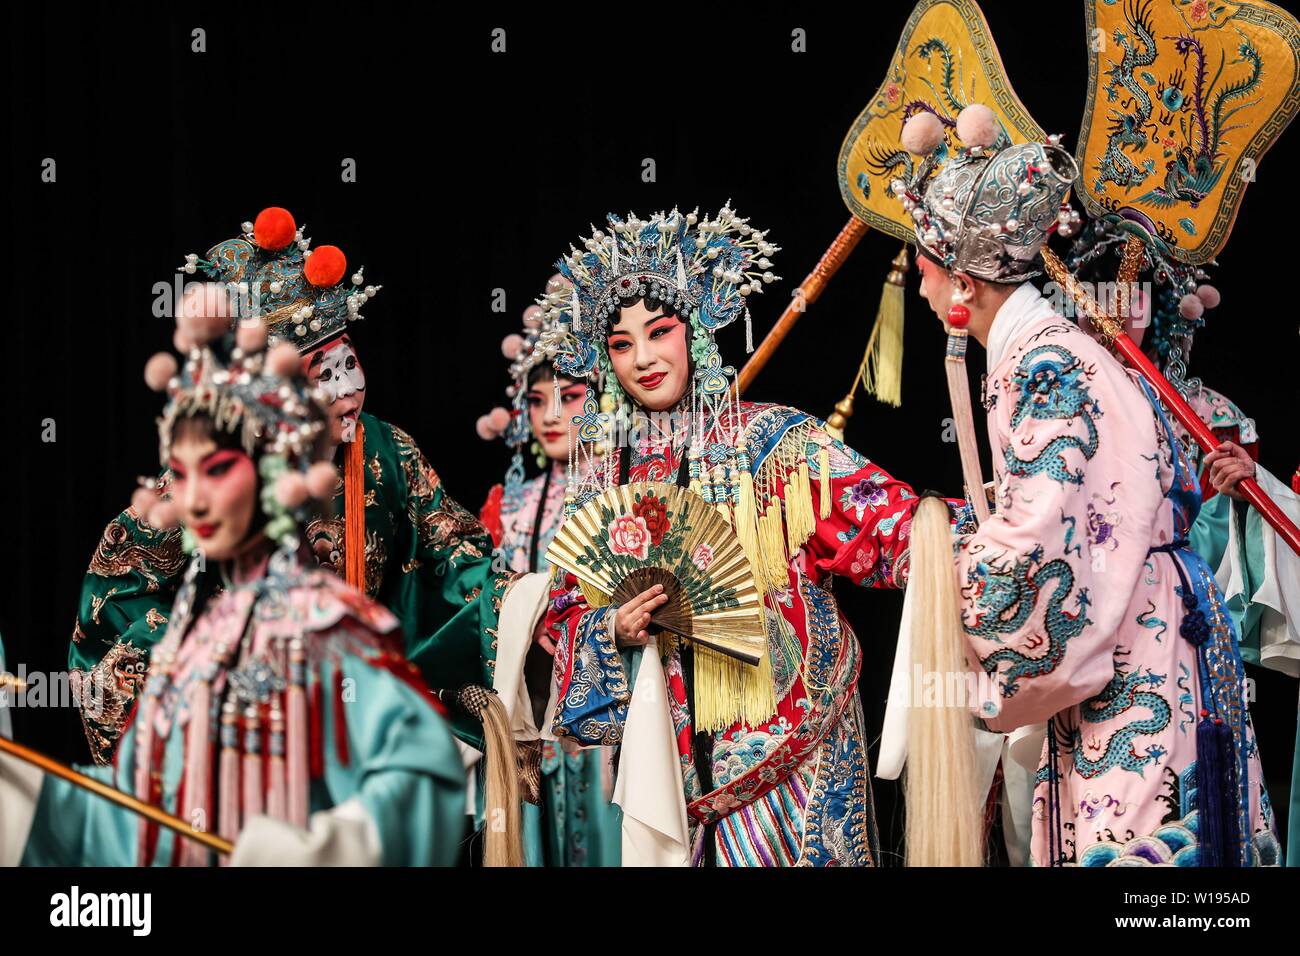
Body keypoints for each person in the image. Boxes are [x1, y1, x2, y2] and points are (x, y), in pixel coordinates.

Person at [892, 104, 1279, 866]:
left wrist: (946, 567)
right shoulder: (1048, 349)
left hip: (1135, 640)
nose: (922, 289)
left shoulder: (1046, 364)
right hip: (1142, 617)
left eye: (927, 272)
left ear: (964, 281)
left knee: (1135, 843)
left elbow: (1038, 539)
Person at [537, 205, 932, 866]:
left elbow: (883, 523)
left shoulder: (772, 439)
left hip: (792, 739)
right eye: (621, 344)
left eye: (659, 332)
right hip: (672, 759)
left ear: (693, 331)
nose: (644, 358)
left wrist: (974, 529)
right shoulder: (601, 481)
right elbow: (566, 611)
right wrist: (613, 629)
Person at [0, 316, 465, 865]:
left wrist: (321, 847)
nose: (193, 500)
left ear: (274, 468)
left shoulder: (324, 625)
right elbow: (140, 816)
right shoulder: (193, 644)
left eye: (217, 470)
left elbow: (424, 769)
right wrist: (25, 799)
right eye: (181, 473)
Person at [70, 207, 518, 764]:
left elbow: (456, 555)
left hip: (361, 721)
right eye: (322, 376)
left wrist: (525, 604)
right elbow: (119, 588)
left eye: (349, 364)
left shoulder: (386, 451)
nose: (347, 389)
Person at [475, 277, 622, 865]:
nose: (552, 414)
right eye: (537, 401)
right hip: (530, 700)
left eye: (570, 395)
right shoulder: (507, 503)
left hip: (605, 691)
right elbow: (483, 597)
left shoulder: (625, 485)